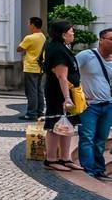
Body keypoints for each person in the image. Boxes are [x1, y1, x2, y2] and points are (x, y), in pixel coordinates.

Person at [42, 19, 85, 172]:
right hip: (59, 93)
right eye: (71, 31)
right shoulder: (58, 50)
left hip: (67, 92)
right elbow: (62, 76)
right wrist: (66, 98)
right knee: (55, 124)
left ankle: (65, 158)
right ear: (63, 34)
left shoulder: (62, 47)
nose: (73, 33)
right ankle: (51, 159)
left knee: (69, 124)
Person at [77, 27, 112, 181]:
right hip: (89, 105)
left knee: (101, 139)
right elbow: (70, 72)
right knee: (87, 137)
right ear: (101, 40)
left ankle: (99, 169)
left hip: (108, 105)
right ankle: (88, 170)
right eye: (111, 39)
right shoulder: (86, 56)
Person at [17, 16, 47, 120]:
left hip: (30, 67)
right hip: (40, 67)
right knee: (39, 90)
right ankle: (39, 111)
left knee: (31, 91)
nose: (28, 25)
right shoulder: (43, 36)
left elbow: (19, 48)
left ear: (33, 25)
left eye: (29, 23)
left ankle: (31, 113)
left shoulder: (30, 38)